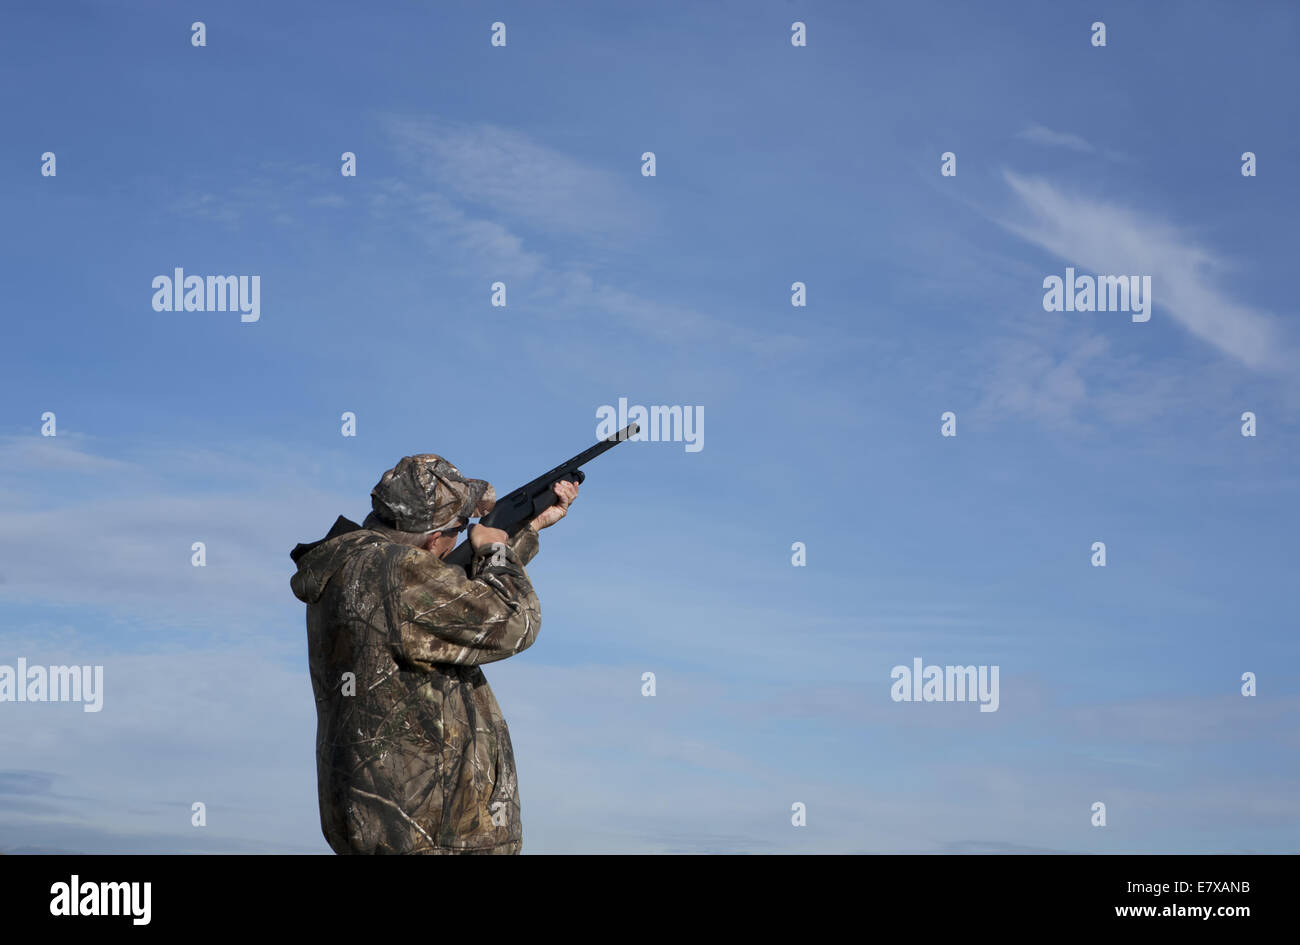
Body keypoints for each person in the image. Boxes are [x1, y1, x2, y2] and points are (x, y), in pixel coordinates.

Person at [289, 453, 577, 854]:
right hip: (433, 834)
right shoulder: (392, 570)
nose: (462, 538)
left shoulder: (359, 569)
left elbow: (448, 604)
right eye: (460, 529)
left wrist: (524, 531)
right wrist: (495, 552)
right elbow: (513, 624)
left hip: (402, 829)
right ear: (431, 537)